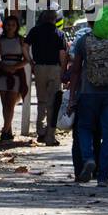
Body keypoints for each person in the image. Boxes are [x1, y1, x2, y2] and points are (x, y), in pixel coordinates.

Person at [67, 17, 108, 186]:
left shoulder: (83, 41)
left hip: (88, 93)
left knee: (84, 128)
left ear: (89, 23)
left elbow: (75, 71)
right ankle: (103, 177)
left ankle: (88, 158)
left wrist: (72, 98)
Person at [25, 8, 68, 145]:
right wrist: (63, 71)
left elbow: (24, 46)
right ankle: (50, 136)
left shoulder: (34, 31)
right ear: (55, 19)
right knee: (53, 102)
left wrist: (31, 62)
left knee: (41, 100)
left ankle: (40, 131)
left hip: (39, 68)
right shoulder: (59, 34)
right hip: (55, 68)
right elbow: (62, 55)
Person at [0, 12, 29, 141]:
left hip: (16, 75)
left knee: (11, 104)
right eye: (8, 25)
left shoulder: (21, 40)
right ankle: (8, 131)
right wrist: (5, 67)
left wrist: (15, 67)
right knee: (4, 103)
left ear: (17, 26)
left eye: (13, 25)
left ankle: (5, 131)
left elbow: (27, 59)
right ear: (5, 26)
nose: (10, 27)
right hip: (2, 73)